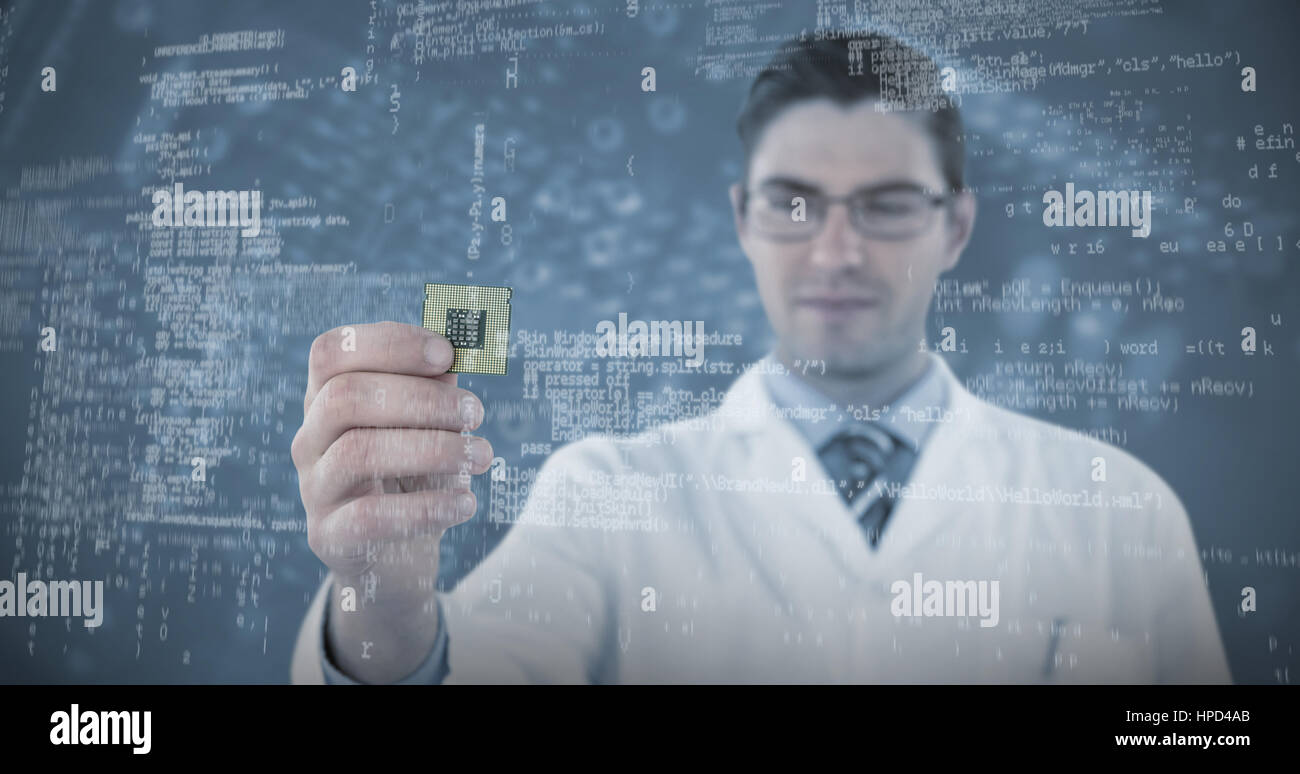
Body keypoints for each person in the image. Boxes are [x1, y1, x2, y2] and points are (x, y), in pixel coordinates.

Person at [290, 32, 1231, 684]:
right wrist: (386, 596)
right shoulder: (608, 494)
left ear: (957, 227)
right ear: (742, 220)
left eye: (889, 204)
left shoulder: (1122, 509)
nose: (836, 250)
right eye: (793, 202)